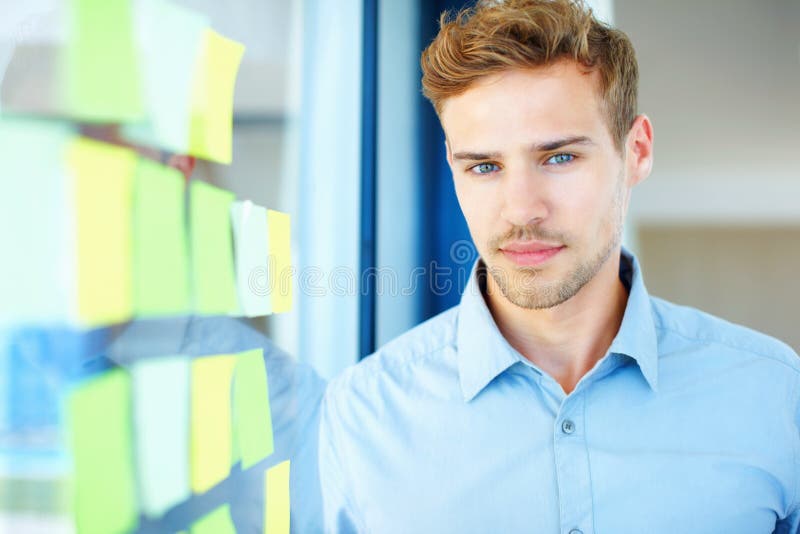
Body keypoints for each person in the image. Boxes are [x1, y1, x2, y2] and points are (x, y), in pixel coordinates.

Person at [317, 1, 800, 533]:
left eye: (559, 158)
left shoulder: (773, 395)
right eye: (484, 166)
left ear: (635, 151)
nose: (522, 209)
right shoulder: (364, 414)